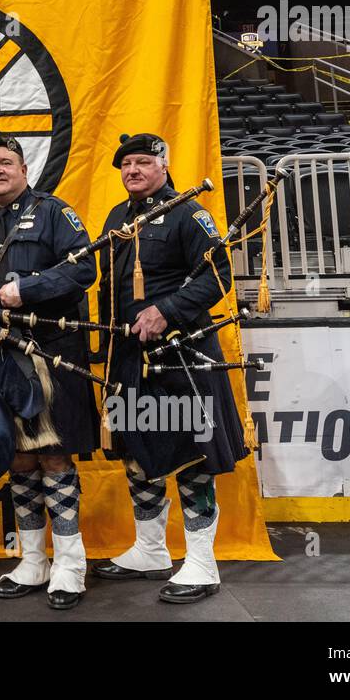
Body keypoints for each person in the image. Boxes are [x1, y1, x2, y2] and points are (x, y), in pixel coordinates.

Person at [90, 133, 249, 603]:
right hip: (129, 357)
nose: (132, 170)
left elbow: (218, 271)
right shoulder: (118, 217)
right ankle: (151, 549)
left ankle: (202, 561)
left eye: (142, 161)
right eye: (126, 164)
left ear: (164, 164)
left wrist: (169, 311)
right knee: (138, 450)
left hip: (180, 354)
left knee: (189, 455)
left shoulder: (186, 211)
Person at [0, 137, 99, 610]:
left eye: (6, 163)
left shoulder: (55, 212)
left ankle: (70, 563)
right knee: (17, 457)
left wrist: (28, 289)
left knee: (54, 456)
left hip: (50, 352)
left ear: (23, 169)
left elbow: (84, 270)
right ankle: (33, 559)